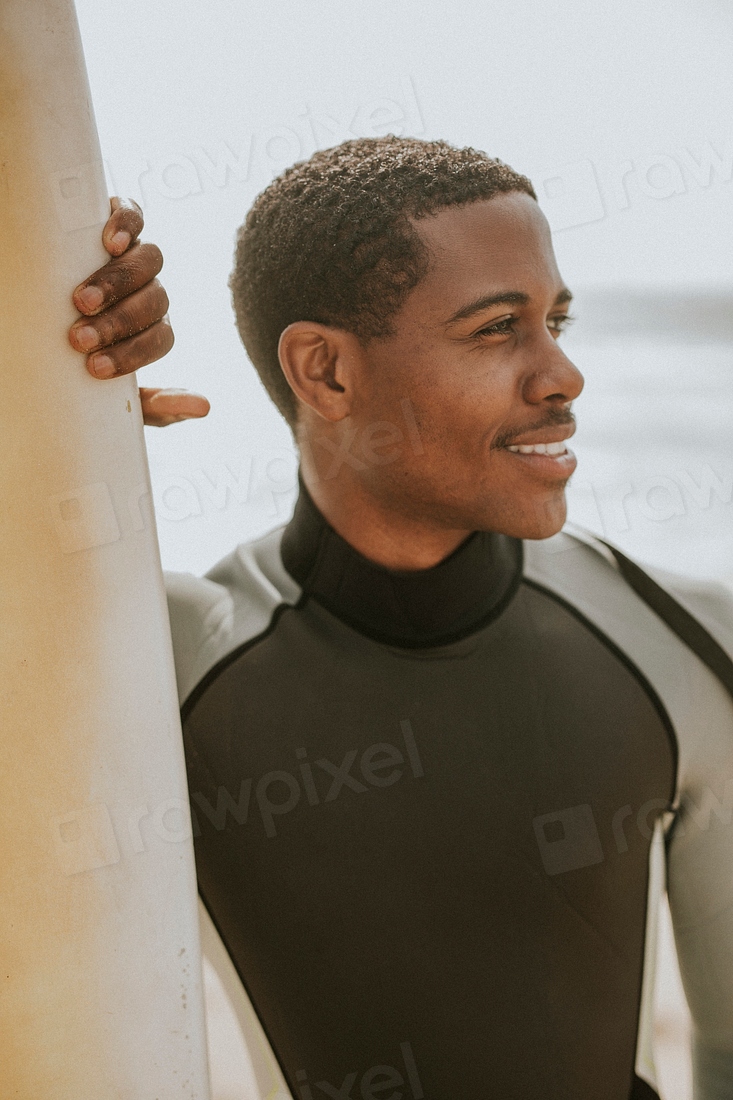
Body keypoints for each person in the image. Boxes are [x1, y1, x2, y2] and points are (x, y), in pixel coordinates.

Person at [69, 138, 733, 1100]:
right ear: (326, 374)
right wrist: (48, 394)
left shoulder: (678, 634)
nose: (563, 376)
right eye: (498, 329)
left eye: (557, 320)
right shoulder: (159, 660)